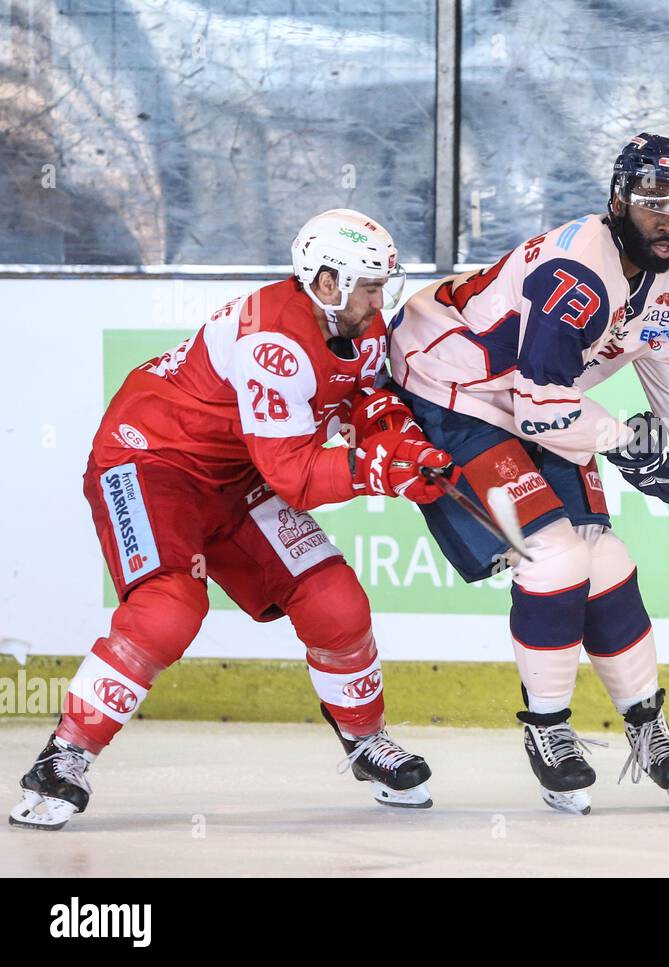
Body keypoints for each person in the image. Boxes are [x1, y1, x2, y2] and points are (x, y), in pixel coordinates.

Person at [388, 135, 669, 813]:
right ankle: (550, 731)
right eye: (651, 200)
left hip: (531, 398)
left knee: (605, 557)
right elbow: (536, 405)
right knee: (554, 555)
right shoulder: (580, 272)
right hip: (455, 390)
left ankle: (646, 728)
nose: (667, 217)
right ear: (618, 200)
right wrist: (624, 441)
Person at [10, 209, 451, 830]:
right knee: (168, 609)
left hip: (236, 473)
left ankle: (365, 742)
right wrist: (374, 470)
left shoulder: (360, 322)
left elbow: (364, 397)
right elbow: (294, 477)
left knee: (335, 601)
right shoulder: (273, 343)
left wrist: (403, 444)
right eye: (371, 286)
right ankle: (62, 758)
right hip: (150, 461)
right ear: (326, 283)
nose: (383, 300)